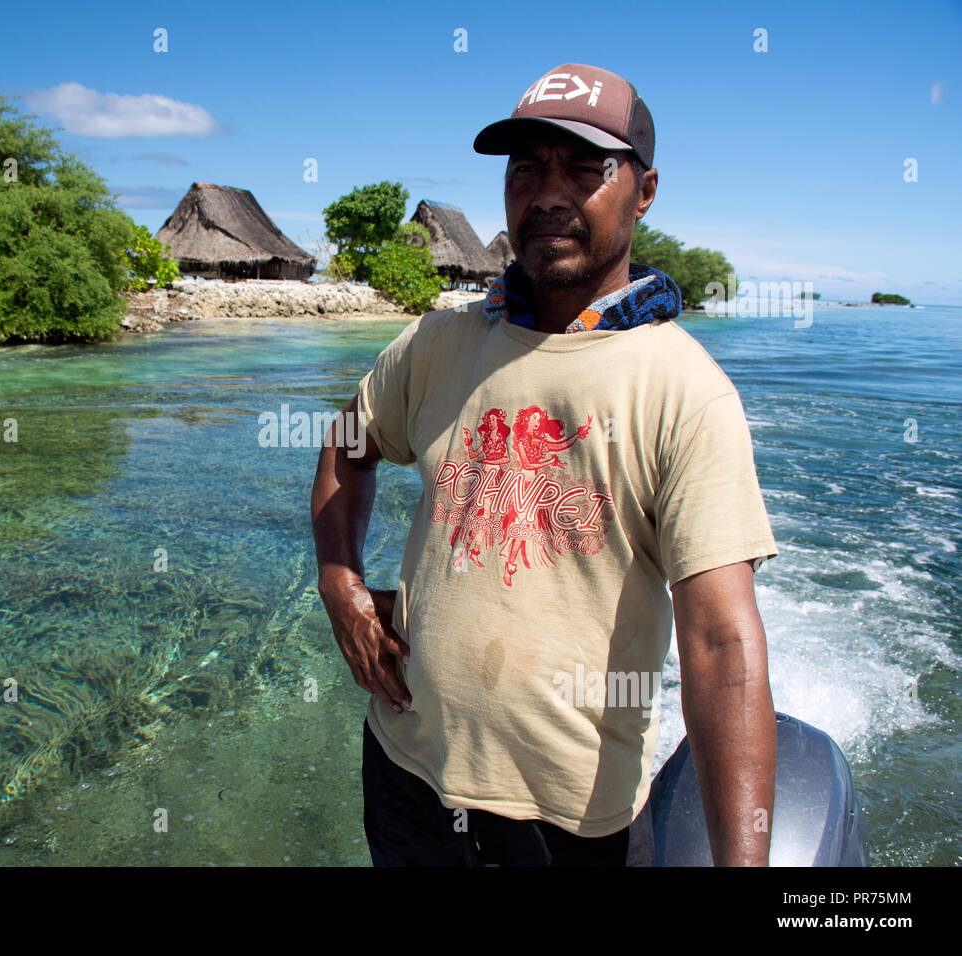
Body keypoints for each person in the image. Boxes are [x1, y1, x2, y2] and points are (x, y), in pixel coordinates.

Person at [311, 63, 778, 867]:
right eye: (526, 169)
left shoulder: (683, 389)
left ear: (645, 190)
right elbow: (348, 446)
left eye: (586, 167)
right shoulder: (438, 344)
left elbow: (721, 647)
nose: (548, 193)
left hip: (568, 822)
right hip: (404, 771)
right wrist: (339, 582)